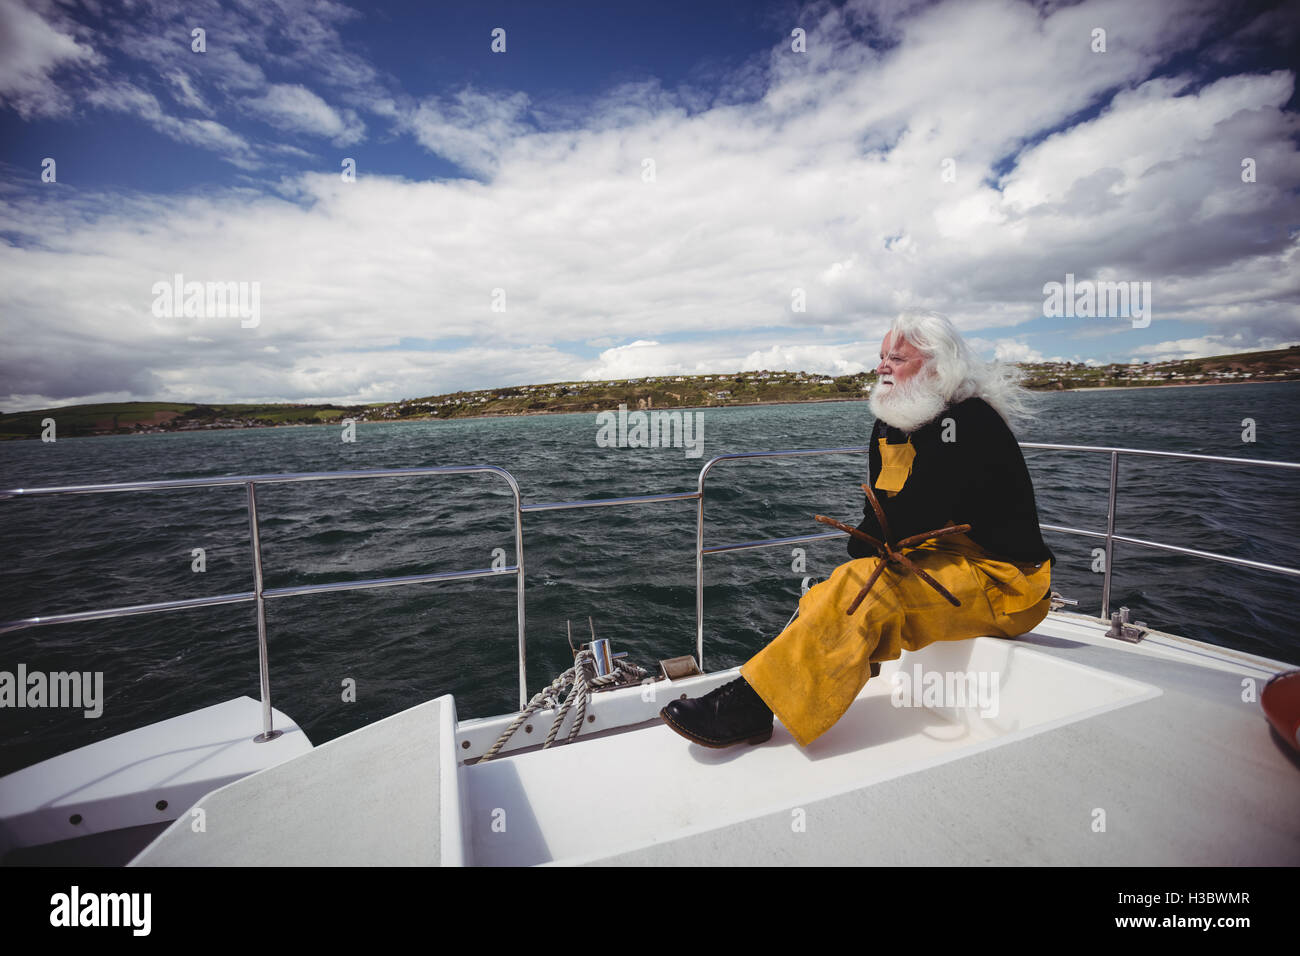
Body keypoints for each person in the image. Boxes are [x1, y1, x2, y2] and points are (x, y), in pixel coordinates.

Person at [659, 310, 1056, 749]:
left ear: (939, 368)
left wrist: (866, 550)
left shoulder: (965, 423)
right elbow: (882, 515)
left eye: (897, 358)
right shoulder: (892, 422)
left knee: (859, 591)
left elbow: (913, 515)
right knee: (826, 592)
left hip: (1006, 582)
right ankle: (760, 693)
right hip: (943, 560)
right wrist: (866, 549)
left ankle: (749, 706)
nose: (882, 366)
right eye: (882, 356)